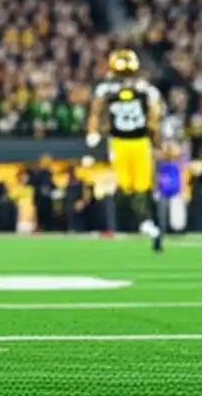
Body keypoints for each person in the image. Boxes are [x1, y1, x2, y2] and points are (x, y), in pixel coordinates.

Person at [86, 49, 164, 252]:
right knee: (130, 187)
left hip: (130, 141)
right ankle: (140, 222)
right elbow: (154, 119)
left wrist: (93, 131)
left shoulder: (115, 90)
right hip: (130, 141)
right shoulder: (141, 90)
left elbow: (154, 118)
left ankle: (144, 223)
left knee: (138, 187)